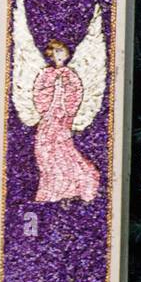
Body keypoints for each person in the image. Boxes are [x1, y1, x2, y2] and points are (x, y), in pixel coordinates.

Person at [32, 39, 100, 203]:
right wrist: (48, 103)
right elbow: (38, 92)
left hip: (63, 119)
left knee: (63, 149)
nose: (59, 55)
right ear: (51, 54)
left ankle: (74, 185)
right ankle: (52, 188)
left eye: (61, 51)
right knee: (44, 149)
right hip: (48, 118)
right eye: (56, 52)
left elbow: (76, 93)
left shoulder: (71, 75)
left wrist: (67, 109)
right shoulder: (46, 74)